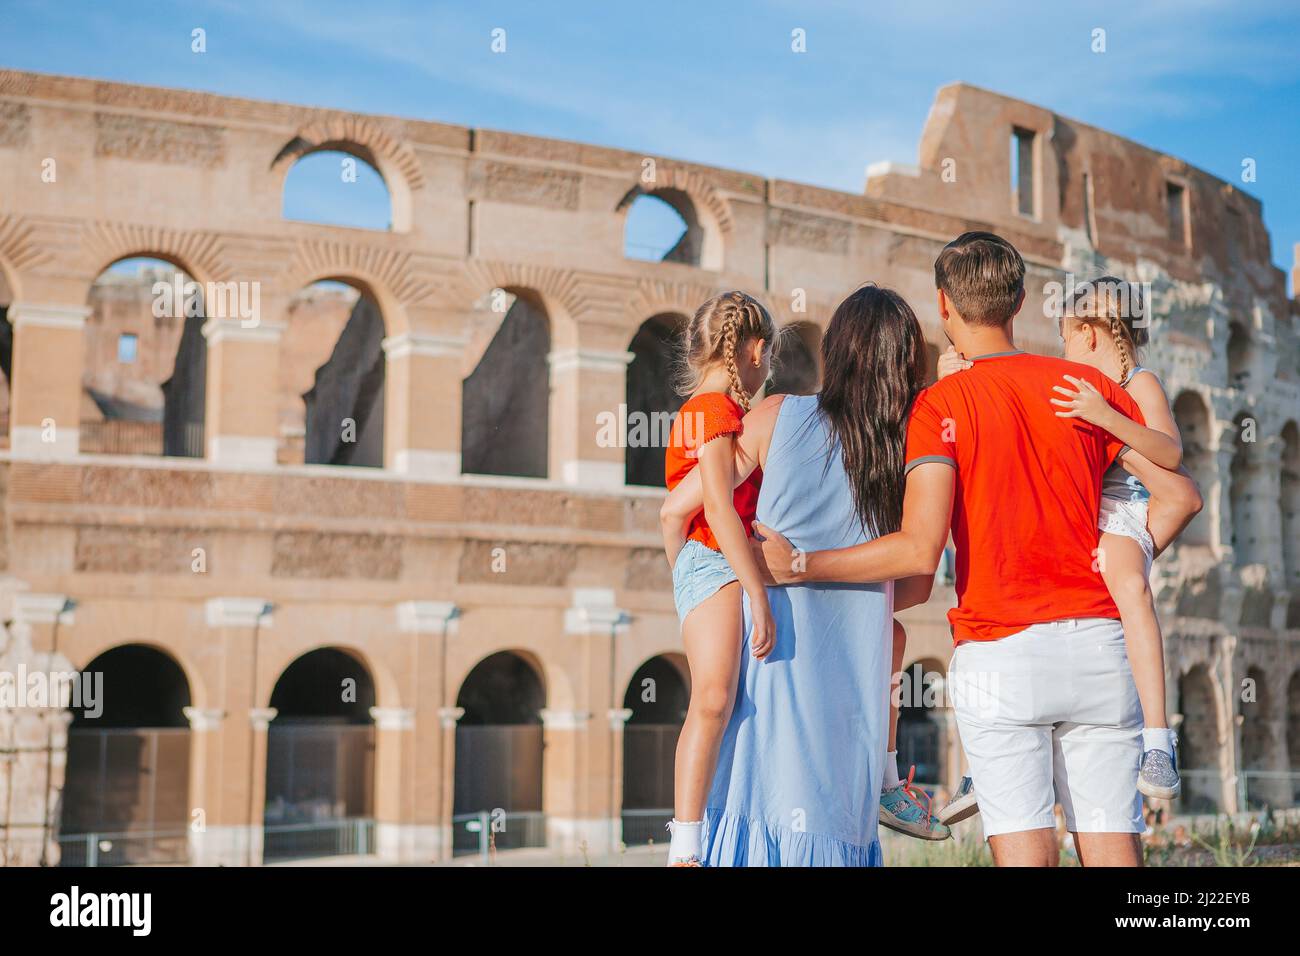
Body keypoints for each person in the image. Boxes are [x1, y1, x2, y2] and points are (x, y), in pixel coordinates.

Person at [750, 233, 1202, 867]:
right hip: (1099, 643)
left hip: (1001, 652)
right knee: (1114, 854)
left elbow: (918, 548)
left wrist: (799, 565)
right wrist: (1126, 548)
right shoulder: (1080, 389)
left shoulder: (939, 407)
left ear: (944, 305)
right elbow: (1180, 494)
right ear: (1019, 300)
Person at [662, 285, 940, 865]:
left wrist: (702, 573)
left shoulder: (772, 417)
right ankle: (891, 785)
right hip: (853, 705)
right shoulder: (908, 453)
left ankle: (683, 845)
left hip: (773, 672)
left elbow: (684, 505)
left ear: (833, 350)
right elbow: (914, 583)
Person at [938, 276, 1184, 801]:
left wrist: (1106, 420)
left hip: (1123, 508)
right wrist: (954, 372)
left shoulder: (1140, 383)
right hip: (1083, 510)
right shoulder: (1077, 383)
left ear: (1091, 334)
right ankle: (983, 767)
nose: (1063, 349)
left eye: (1067, 336)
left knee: (1131, 590)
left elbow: (1170, 455)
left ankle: (1158, 739)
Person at [660, 291, 777, 867]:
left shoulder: (709, 413)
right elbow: (719, 506)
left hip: (707, 559)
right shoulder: (715, 414)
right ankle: (685, 843)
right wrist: (754, 586)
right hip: (719, 560)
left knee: (722, 703)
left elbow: (672, 512)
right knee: (712, 699)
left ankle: (699, 834)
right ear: (754, 350)